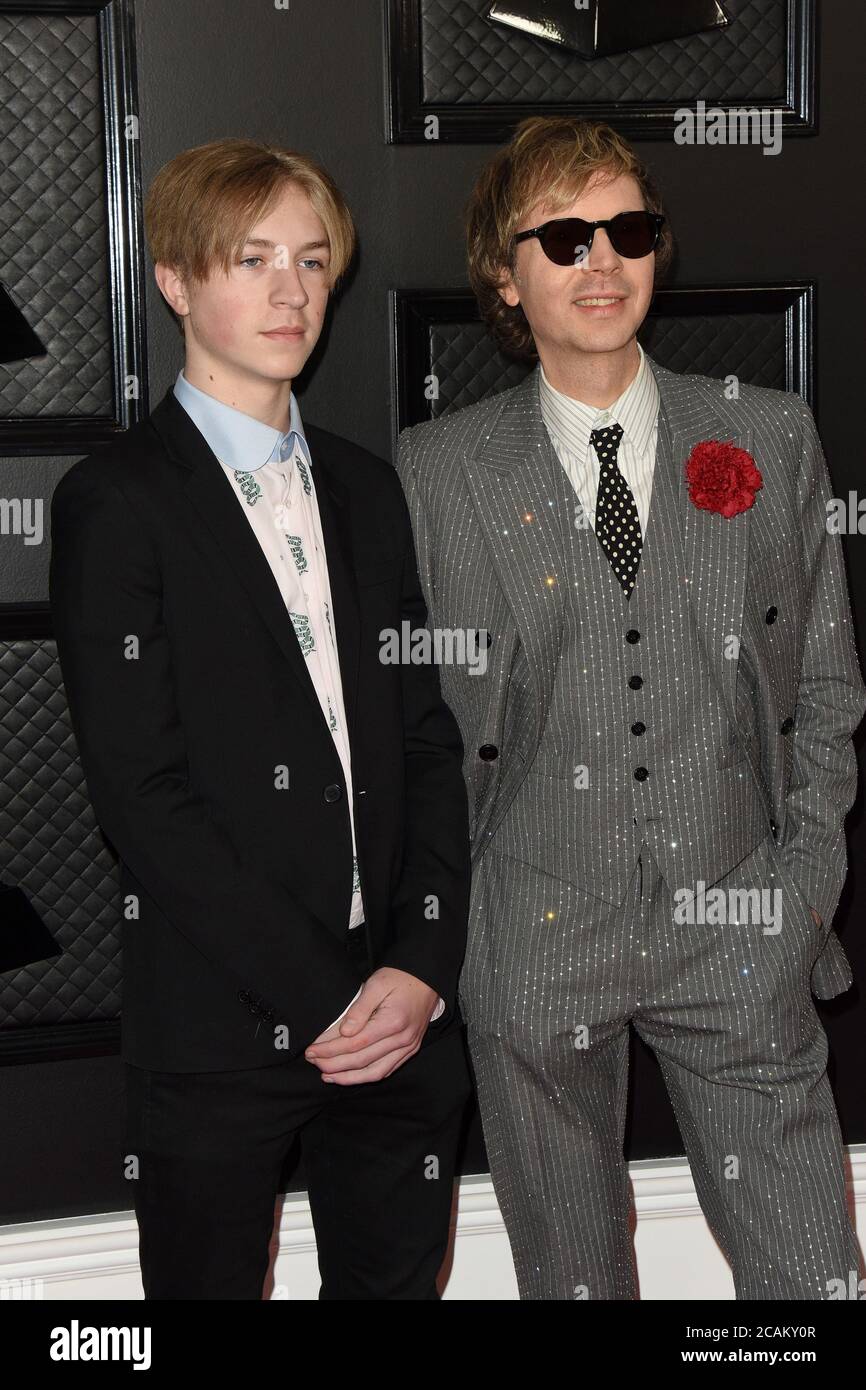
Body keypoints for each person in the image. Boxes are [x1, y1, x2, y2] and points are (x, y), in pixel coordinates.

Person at [395, 115, 865, 1299]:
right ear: (505, 274)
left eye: (626, 229)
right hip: (533, 931)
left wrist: (799, 891)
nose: (599, 258)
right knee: (572, 1282)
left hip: (738, 920)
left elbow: (824, 684)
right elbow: (413, 724)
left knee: (813, 1283)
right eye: (561, 236)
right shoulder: (434, 470)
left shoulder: (765, 432)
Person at [49, 137, 472, 1300]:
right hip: (219, 1023)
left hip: (398, 1018)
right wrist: (321, 993)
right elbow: (141, 797)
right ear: (177, 281)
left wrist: (421, 965)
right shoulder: (115, 501)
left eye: (312, 260)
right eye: (250, 259)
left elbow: (426, 737)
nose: (290, 292)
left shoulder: (366, 484)